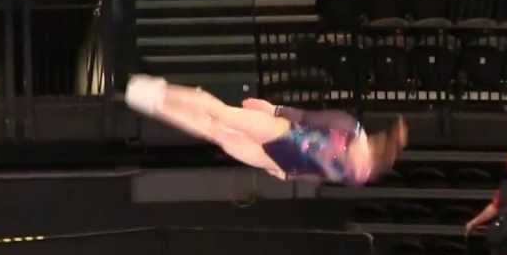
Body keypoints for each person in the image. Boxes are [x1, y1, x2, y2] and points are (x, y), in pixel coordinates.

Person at [125, 75, 407, 186]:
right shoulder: (350, 129)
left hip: (279, 161)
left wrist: (288, 175)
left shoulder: (355, 175)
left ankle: (155, 107)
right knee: (221, 113)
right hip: (283, 133)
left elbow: (317, 174)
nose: (358, 169)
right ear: (370, 148)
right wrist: (274, 109)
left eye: (362, 171)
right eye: (362, 163)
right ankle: (161, 91)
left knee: (215, 133)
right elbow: (308, 117)